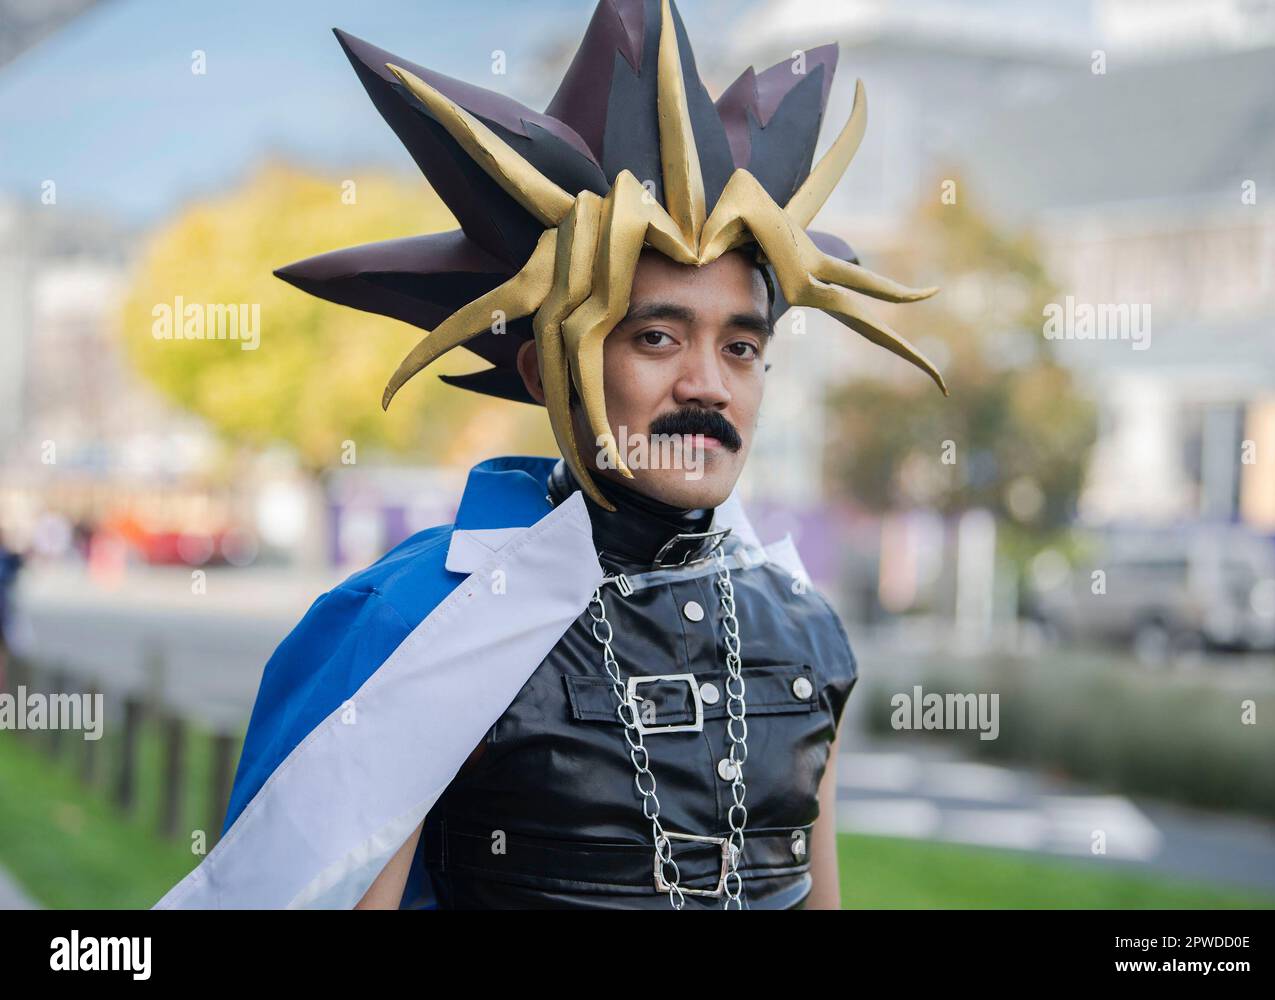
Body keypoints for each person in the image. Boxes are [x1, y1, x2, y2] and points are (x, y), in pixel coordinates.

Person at [154, 0, 946, 911]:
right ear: (546, 370)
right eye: (656, 338)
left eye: (740, 347)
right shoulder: (412, 625)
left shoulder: (808, 632)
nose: (708, 386)